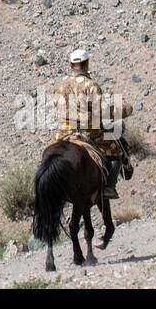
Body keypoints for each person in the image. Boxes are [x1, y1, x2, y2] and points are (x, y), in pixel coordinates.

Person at [51, 48, 133, 198]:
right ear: (87, 63)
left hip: (63, 131)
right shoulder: (91, 85)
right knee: (115, 147)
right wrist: (126, 110)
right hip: (88, 131)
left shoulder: (61, 84)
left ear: (70, 65)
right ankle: (109, 187)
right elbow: (101, 111)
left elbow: (56, 105)